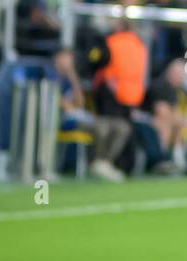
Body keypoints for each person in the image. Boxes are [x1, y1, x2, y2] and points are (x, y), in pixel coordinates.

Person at [54, 49, 131, 182]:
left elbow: (80, 103)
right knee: (102, 127)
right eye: (65, 58)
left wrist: (73, 77)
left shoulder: (71, 78)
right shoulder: (52, 76)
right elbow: (62, 103)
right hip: (66, 119)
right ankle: (97, 163)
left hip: (82, 115)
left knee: (123, 127)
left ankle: (105, 162)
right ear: (57, 59)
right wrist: (70, 105)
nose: (68, 62)